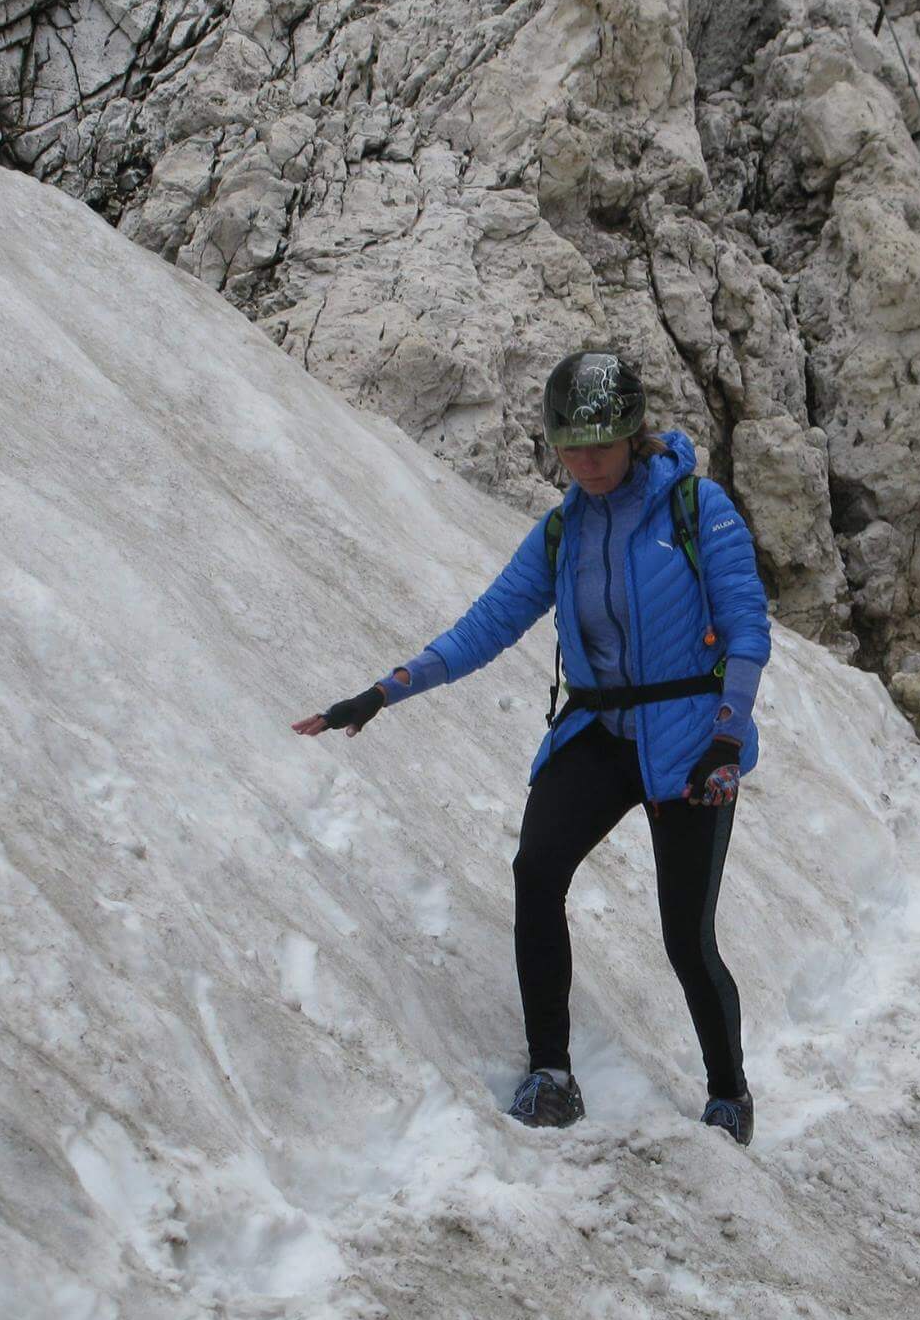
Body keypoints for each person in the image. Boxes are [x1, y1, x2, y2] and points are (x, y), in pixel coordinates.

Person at [292, 351, 772, 1146]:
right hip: (598, 730)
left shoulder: (697, 506)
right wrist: (383, 691)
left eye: (602, 446)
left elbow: (747, 629)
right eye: (570, 448)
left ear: (632, 435)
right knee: (536, 870)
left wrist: (726, 738)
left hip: (690, 740)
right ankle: (551, 1074)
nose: (585, 464)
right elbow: (487, 625)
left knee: (686, 935)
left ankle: (729, 1092)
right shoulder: (564, 532)